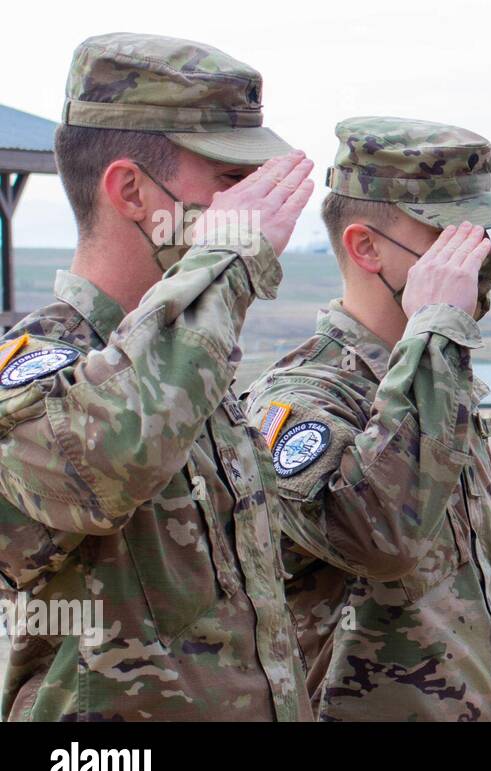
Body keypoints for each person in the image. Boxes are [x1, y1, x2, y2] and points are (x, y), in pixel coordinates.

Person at [0, 33, 314, 721]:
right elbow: (105, 461)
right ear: (132, 192)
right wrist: (229, 261)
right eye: (232, 188)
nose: (262, 218)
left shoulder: (196, 371)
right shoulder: (34, 371)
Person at [243, 117, 491, 721]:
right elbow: (379, 539)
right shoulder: (304, 399)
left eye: (479, 238)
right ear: (365, 247)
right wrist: (437, 333)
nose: (471, 261)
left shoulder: (438, 383)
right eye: (445, 238)